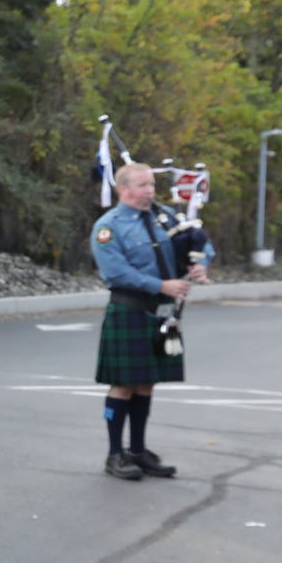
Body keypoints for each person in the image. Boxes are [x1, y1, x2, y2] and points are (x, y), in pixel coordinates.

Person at [91, 161, 205, 479]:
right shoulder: (108, 226)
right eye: (143, 185)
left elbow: (198, 242)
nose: (150, 191)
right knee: (123, 384)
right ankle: (115, 455)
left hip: (162, 313)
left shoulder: (166, 217)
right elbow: (116, 272)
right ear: (123, 189)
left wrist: (198, 265)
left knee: (146, 383)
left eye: (152, 185)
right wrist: (162, 286)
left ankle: (138, 451)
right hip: (130, 310)